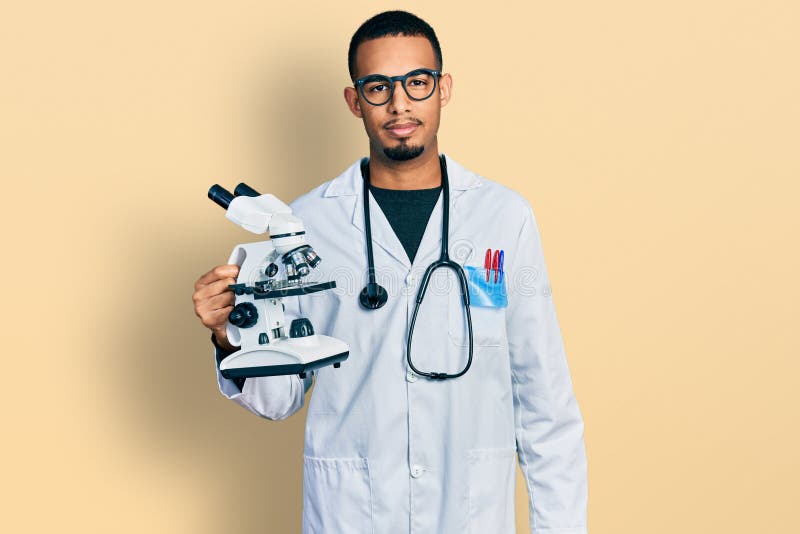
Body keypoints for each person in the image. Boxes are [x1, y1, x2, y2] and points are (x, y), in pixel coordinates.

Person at [192, 10, 588, 534]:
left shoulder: (503, 217)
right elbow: (279, 398)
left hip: (469, 513)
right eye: (377, 87)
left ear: (442, 89)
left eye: (416, 83)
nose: (399, 103)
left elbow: (545, 404)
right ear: (354, 101)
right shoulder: (307, 222)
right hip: (351, 514)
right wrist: (227, 336)